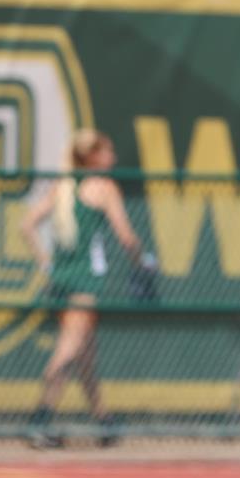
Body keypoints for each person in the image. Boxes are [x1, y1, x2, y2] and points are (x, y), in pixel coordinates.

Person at [21, 129, 152, 448]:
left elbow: (27, 225)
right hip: (85, 282)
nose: (113, 159)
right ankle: (40, 418)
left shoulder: (64, 186)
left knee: (85, 355)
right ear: (92, 156)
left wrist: (47, 264)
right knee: (68, 351)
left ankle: (103, 420)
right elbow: (126, 236)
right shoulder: (104, 187)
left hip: (63, 279)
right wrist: (142, 261)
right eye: (107, 152)